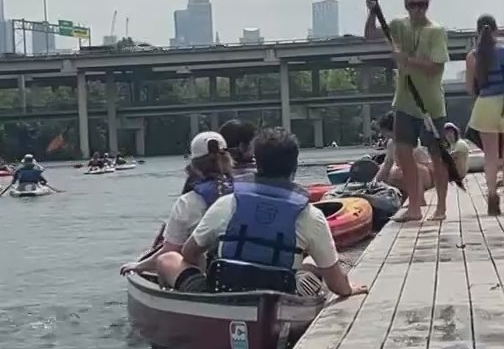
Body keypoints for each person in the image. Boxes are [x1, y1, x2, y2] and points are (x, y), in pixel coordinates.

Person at [160, 128, 369, 299]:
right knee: (315, 262)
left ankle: (200, 304)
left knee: (167, 259)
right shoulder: (309, 215)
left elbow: (188, 253)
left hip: (223, 292)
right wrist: (349, 290)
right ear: (294, 167)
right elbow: (335, 283)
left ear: (257, 164)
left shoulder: (227, 203)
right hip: (278, 296)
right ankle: (302, 278)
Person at [364, 0, 451, 222]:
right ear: (406, 5)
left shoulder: (436, 30)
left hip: (431, 106)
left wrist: (406, 59)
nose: (418, 10)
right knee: (403, 154)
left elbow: (435, 67)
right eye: (414, 5)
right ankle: (414, 206)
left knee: (437, 156)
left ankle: (441, 207)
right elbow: (371, 36)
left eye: (423, 4)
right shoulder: (398, 26)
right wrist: (373, 11)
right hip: (404, 102)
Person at [120, 131, 233, 277]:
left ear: (194, 166)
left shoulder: (187, 202)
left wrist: (139, 266)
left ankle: (193, 288)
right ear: (229, 159)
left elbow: (170, 250)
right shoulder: (244, 193)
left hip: (208, 275)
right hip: (243, 271)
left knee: (167, 259)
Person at [464, 14, 504, 215]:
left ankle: (491, 195)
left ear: (477, 31)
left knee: (490, 155)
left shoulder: (473, 56)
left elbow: (469, 88)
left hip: (485, 104)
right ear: (497, 29)